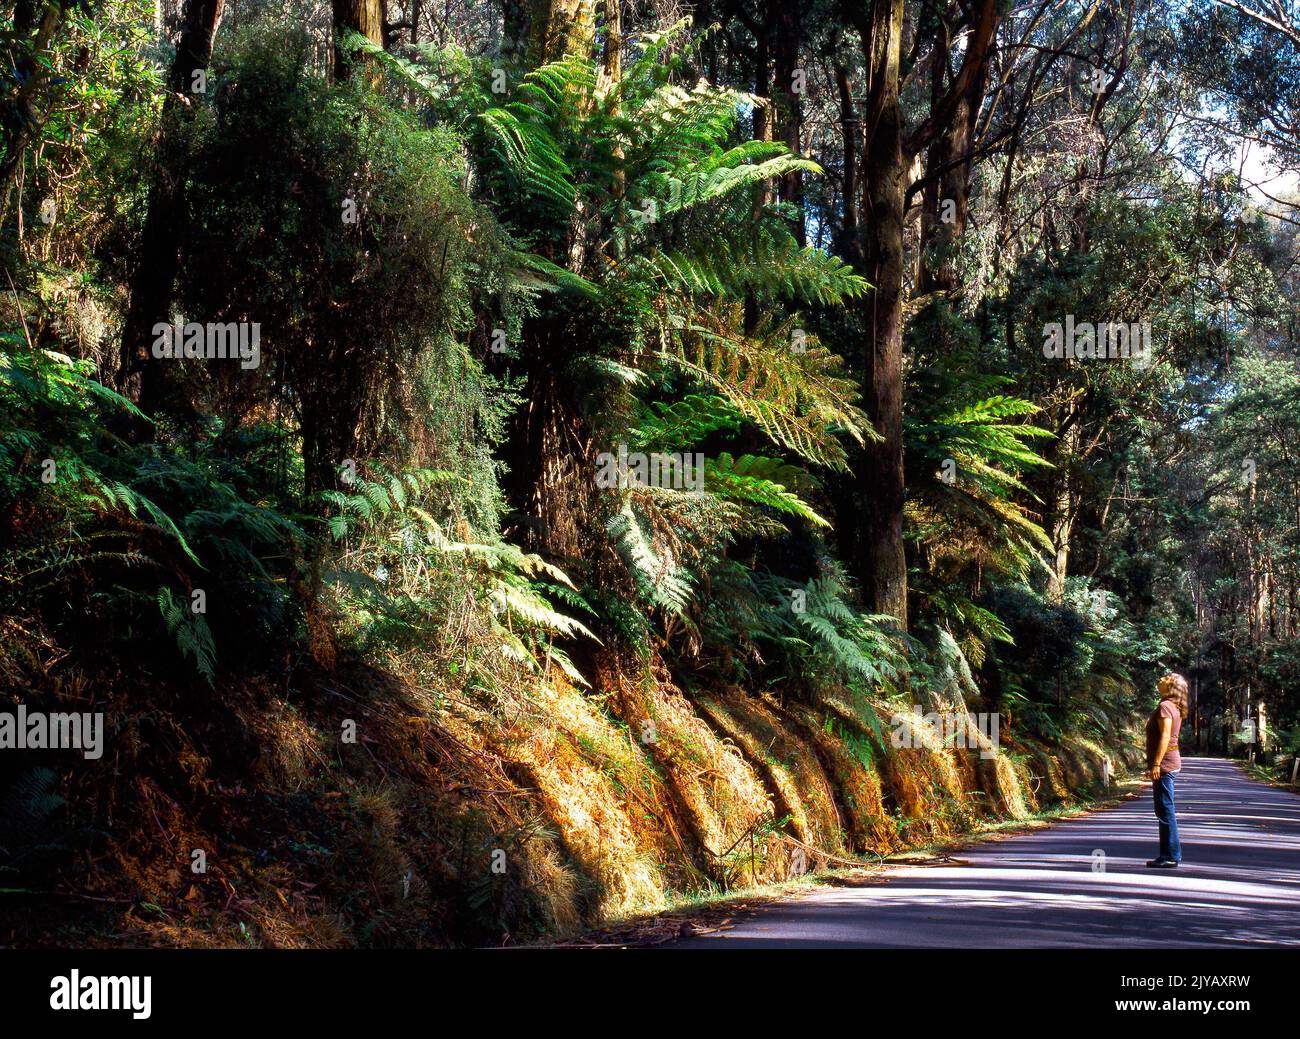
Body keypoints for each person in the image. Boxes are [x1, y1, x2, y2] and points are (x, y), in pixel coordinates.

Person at [1145, 672, 1186, 868]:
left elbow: (1165, 737)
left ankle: (1171, 855)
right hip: (1169, 762)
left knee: (1165, 809)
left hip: (1166, 764)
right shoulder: (1170, 706)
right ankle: (1167, 855)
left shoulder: (1165, 707)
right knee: (1163, 809)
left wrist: (1156, 764)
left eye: (1165, 677)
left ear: (1170, 686)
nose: (1160, 678)